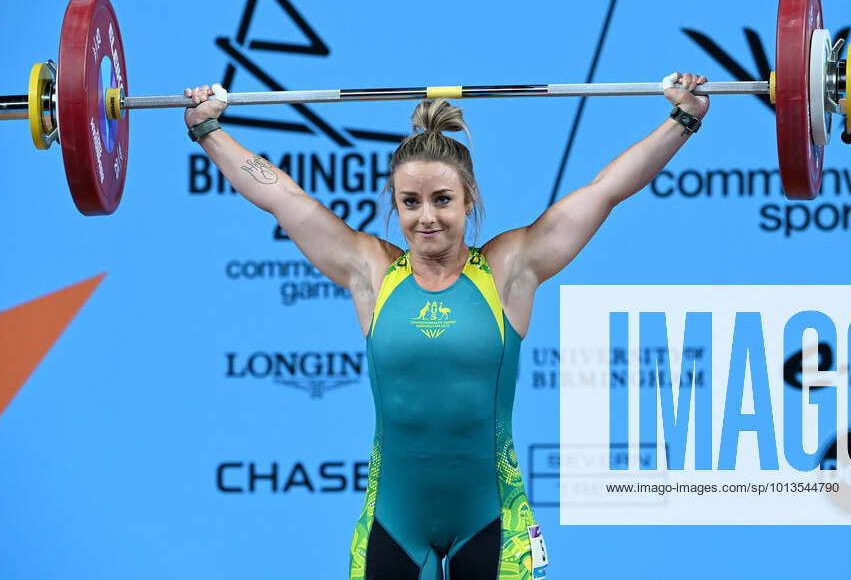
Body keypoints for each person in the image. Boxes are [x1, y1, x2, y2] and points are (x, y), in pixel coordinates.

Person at [183, 72, 710, 580]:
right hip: (391, 527)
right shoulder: (370, 271)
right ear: (395, 204)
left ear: (469, 200)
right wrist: (209, 130)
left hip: (494, 526)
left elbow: (605, 191)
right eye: (410, 202)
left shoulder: (510, 269)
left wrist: (681, 122)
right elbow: (283, 197)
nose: (426, 217)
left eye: (442, 200)